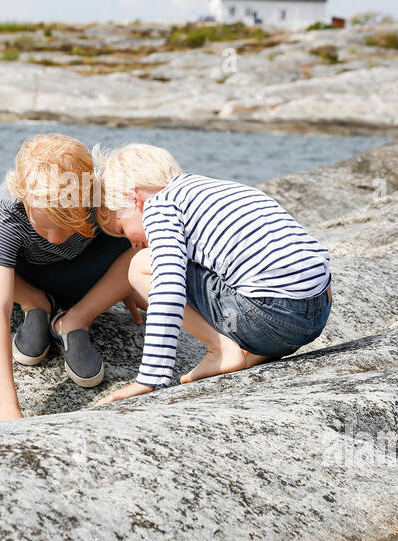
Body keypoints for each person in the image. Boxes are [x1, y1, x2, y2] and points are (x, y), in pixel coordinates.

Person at [93, 143, 331, 404]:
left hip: (269, 319)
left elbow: (168, 288)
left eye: (123, 229)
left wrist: (149, 379)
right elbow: (304, 246)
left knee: (140, 265)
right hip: (316, 315)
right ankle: (260, 350)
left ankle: (221, 349)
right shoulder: (221, 189)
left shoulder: (159, 207)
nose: (133, 242)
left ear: (132, 199)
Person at [0, 133, 141, 421]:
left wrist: (130, 283)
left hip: (86, 281)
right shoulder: (10, 206)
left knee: (145, 225)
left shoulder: (101, 190)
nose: (55, 240)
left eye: (68, 224)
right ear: (25, 201)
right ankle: (35, 303)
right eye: (43, 226)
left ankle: (75, 320)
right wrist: (7, 408)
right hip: (23, 280)